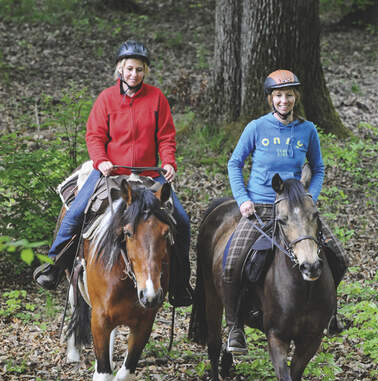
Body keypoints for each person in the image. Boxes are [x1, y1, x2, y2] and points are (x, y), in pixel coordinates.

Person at [33, 40, 193, 307]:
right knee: (75, 212)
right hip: (111, 172)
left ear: (145, 72)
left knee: (183, 221)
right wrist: (101, 160)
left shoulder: (157, 99)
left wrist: (169, 162)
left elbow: (166, 137)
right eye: (129, 68)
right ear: (120, 69)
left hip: (149, 175)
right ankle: (52, 267)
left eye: (139, 69)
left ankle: (180, 283)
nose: (134, 74)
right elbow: (94, 135)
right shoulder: (106, 98)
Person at [224, 69, 348, 354]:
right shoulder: (256, 128)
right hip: (261, 207)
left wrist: (308, 199)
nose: (284, 100)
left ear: (296, 97)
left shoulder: (308, 129)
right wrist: (242, 198)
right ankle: (234, 327)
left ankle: (330, 314)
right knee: (232, 264)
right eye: (278, 95)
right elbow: (235, 163)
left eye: (289, 95)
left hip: (296, 210)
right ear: (271, 98)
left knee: (338, 257)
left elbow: (318, 168)